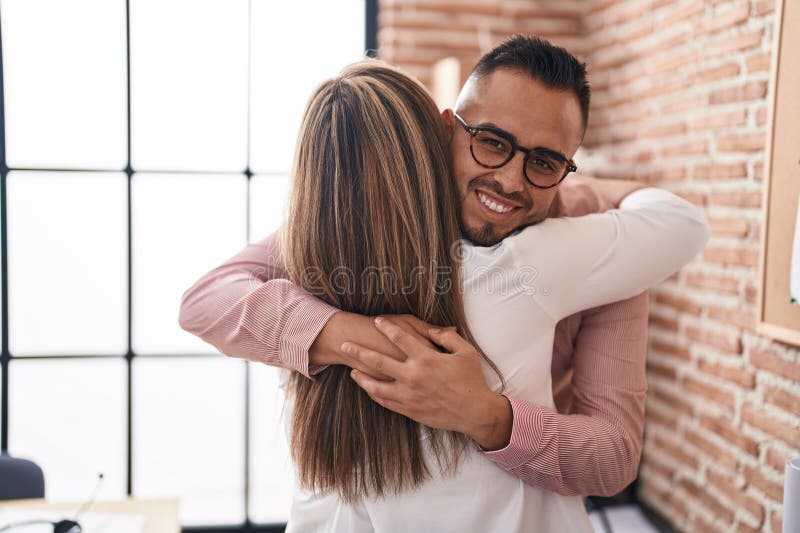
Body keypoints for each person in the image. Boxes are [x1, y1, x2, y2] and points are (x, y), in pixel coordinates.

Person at [179, 39, 709, 530]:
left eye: (544, 162)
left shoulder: (600, 248)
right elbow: (209, 297)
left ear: (568, 168)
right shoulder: (379, 213)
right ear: (447, 129)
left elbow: (613, 456)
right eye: (492, 142)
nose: (509, 180)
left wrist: (486, 415)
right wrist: (365, 341)